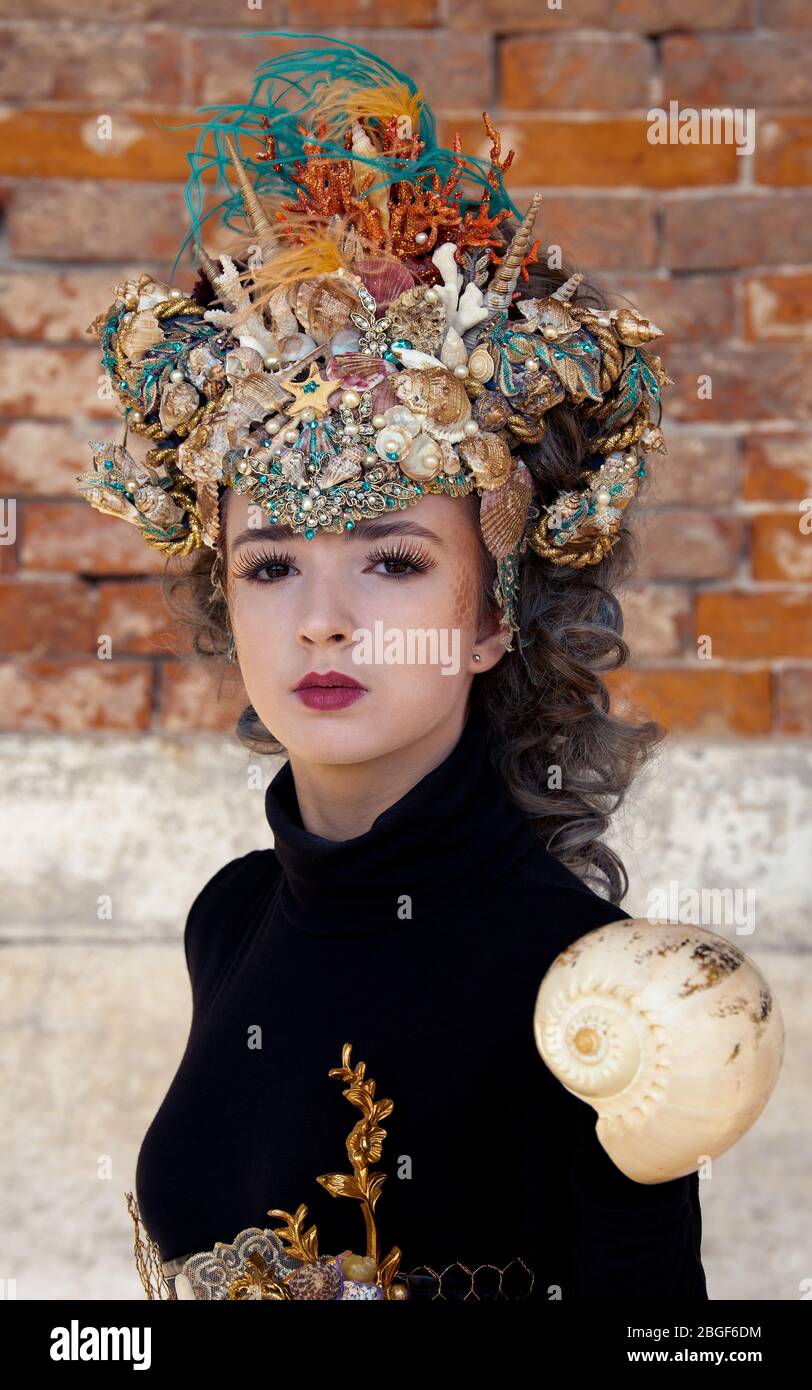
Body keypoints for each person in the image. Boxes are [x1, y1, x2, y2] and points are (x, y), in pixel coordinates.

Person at [78, 37, 707, 1301]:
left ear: (491, 620)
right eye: (270, 567)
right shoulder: (232, 919)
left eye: (392, 562)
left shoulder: (600, 996)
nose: (322, 621)